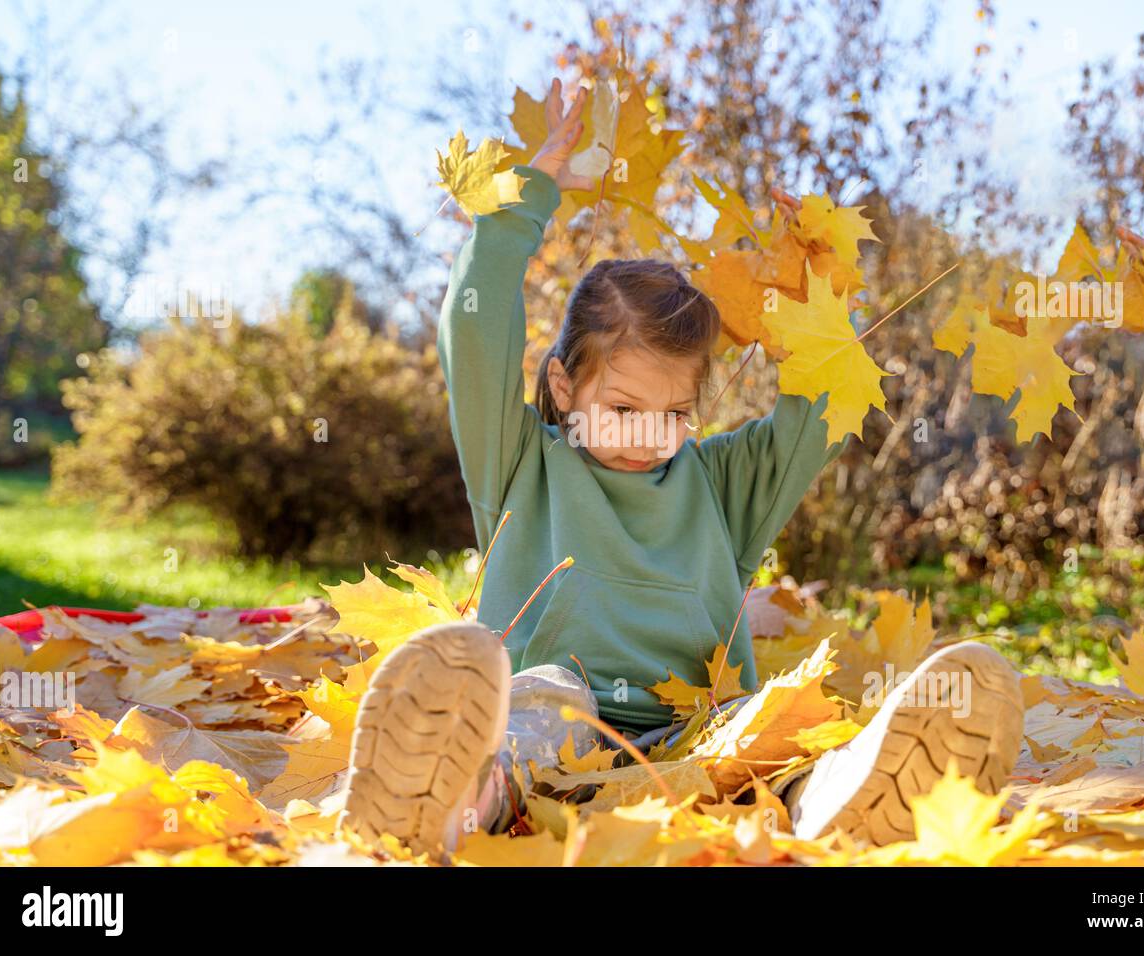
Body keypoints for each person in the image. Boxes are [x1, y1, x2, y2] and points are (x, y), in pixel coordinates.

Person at [340, 78, 1024, 857]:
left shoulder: (723, 486)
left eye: (673, 414)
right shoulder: (523, 461)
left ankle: (854, 795)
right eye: (624, 408)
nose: (649, 434)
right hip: (565, 719)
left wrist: (813, 284)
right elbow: (476, 333)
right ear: (565, 384)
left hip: (702, 724)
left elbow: (824, 405)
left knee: (776, 743)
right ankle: (449, 794)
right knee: (534, 710)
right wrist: (522, 204)